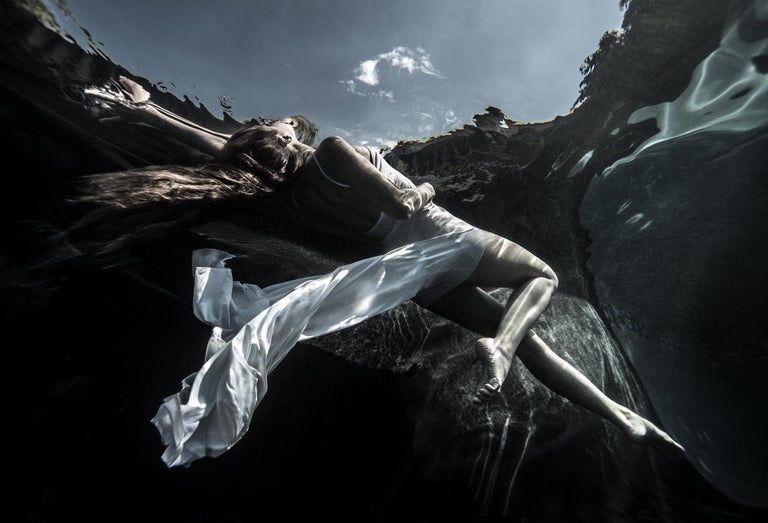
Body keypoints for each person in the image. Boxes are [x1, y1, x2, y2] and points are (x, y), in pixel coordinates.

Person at [80, 77, 684, 466]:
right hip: (443, 240)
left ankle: (620, 414)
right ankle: (498, 347)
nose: (293, 123)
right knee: (543, 280)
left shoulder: (289, 194)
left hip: (411, 274)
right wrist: (418, 180)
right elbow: (406, 205)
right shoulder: (337, 150)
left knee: (533, 340)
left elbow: (223, 147)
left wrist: (150, 112)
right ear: (284, 139)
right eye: (288, 124)